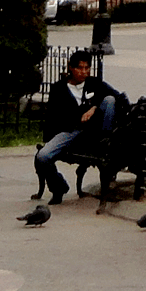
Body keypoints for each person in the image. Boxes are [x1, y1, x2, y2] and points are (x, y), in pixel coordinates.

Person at [34, 50, 124, 203]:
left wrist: (94, 107)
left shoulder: (95, 83)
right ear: (71, 68)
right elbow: (53, 117)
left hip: (94, 132)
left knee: (109, 100)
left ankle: (105, 144)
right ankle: (59, 187)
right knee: (42, 157)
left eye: (87, 68)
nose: (84, 72)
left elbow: (119, 98)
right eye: (80, 68)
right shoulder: (59, 89)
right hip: (69, 130)